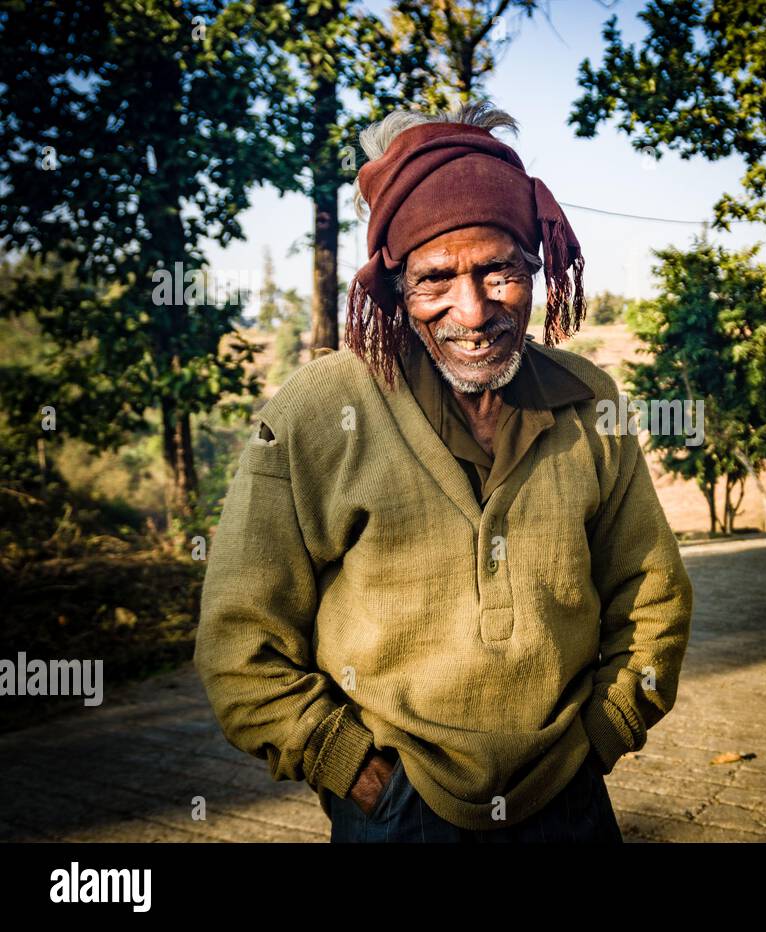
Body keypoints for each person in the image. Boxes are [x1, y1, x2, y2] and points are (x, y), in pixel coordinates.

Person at [194, 101, 694, 843]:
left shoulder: (589, 401)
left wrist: (606, 729)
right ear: (395, 287)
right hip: (397, 812)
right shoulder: (320, 410)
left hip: (568, 800)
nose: (473, 309)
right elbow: (240, 641)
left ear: (535, 268)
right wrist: (354, 771)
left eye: (499, 271)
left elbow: (650, 593)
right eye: (435, 280)